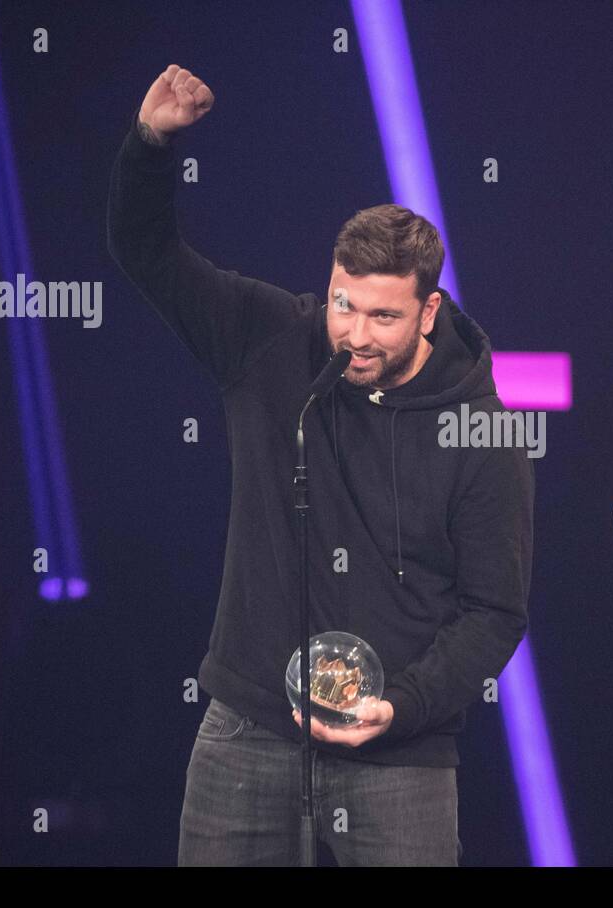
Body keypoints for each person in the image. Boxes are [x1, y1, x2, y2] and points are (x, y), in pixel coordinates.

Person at [108, 65, 534, 865]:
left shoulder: (484, 432)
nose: (356, 335)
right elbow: (147, 253)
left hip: (399, 756)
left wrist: (401, 708)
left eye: (383, 316)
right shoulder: (270, 343)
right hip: (246, 733)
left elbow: (494, 612)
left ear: (429, 311)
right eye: (344, 304)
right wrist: (151, 146)